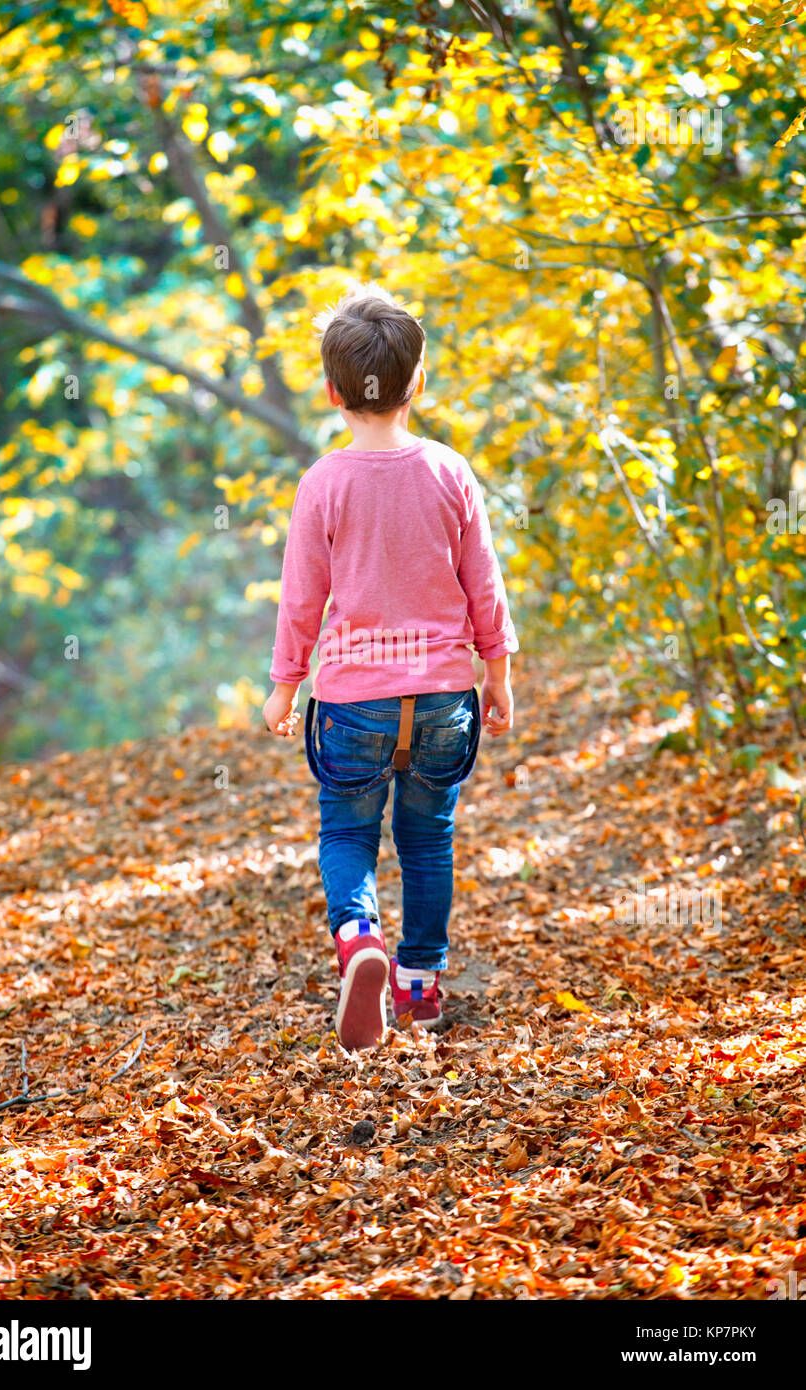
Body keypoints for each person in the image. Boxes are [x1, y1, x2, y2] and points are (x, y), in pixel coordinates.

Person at [262, 283, 517, 1049]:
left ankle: (358, 939)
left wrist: (283, 689)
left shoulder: (323, 484)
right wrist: (498, 675)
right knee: (428, 839)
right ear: (419, 383)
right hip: (444, 696)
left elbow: (302, 601)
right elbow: (485, 584)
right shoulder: (449, 472)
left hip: (353, 702)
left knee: (347, 833)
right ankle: (420, 987)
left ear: (332, 390)